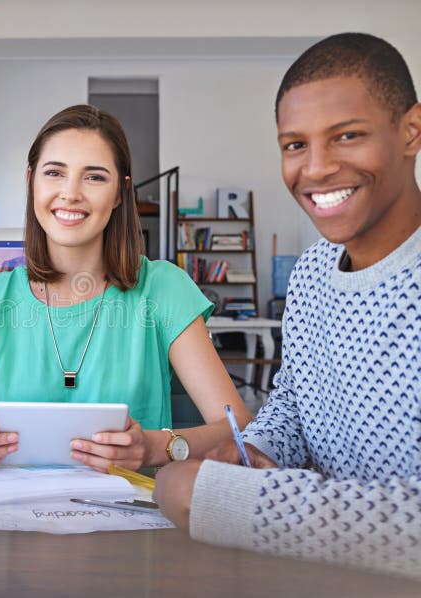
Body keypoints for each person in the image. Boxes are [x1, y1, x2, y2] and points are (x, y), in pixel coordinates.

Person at [153, 33, 421, 579]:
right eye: (295, 145)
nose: (316, 169)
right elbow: (296, 402)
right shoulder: (312, 272)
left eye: (347, 135)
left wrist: (233, 504)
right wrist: (255, 451)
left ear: (411, 131)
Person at [0, 104, 251, 471]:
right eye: (54, 173)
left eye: (94, 177)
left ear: (119, 193)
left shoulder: (163, 289)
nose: (71, 193)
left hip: (130, 515)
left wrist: (157, 446)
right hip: (13, 519)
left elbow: (239, 430)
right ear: (31, 180)